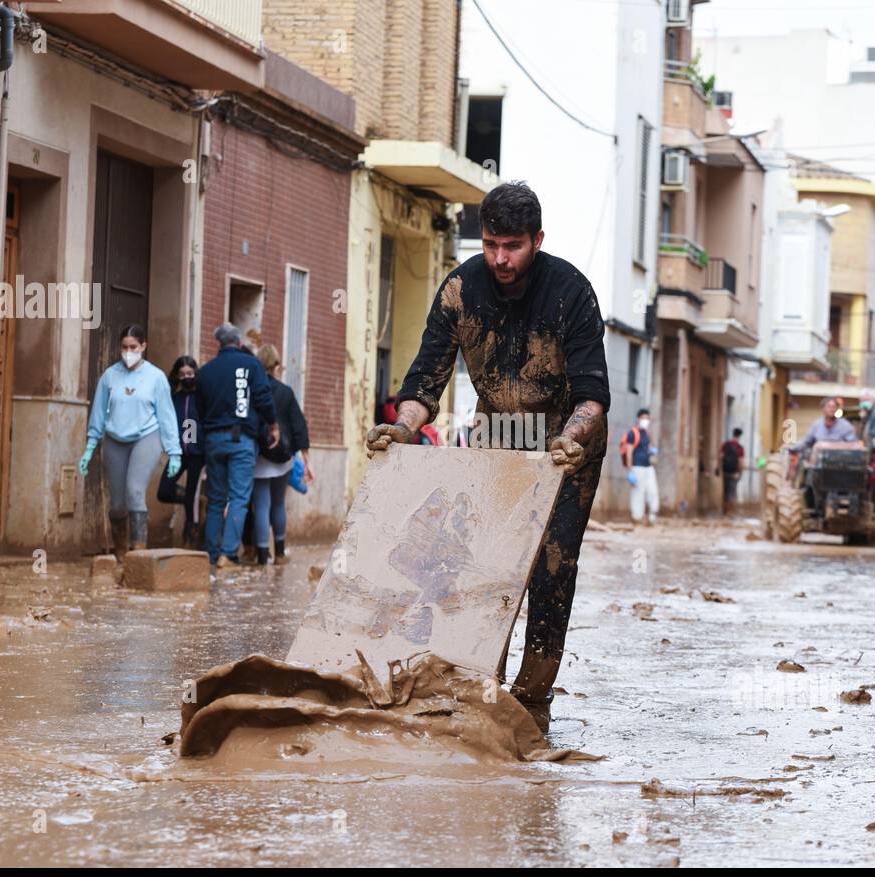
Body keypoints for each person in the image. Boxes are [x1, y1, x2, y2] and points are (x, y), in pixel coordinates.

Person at [368, 181, 609, 733]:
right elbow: (424, 380)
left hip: (567, 439)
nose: (500, 258)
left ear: (537, 241)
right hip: (498, 430)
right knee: (482, 560)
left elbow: (593, 392)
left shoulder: (571, 291)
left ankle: (534, 698)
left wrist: (569, 440)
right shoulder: (459, 290)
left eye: (513, 246)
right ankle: (481, 682)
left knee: (550, 567)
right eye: (491, 244)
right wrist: (401, 430)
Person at [81, 324, 180, 557]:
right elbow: (98, 413)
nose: (128, 351)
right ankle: (120, 555)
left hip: (147, 436)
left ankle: (139, 554)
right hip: (115, 438)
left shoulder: (156, 378)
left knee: (135, 491)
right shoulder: (109, 376)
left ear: (143, 346)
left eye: (133, 346)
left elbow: (167, 416)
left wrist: (174, 451)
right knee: (117, 504)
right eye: (124, 347)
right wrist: (90, 447)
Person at [197, 323, 277, 569]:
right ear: (239, 343)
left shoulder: (206, 371)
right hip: (241, 438)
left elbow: (199, 409)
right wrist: (273, 424)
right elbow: (263, 398)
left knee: (216, 499)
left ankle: (211, 555)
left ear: (218, 344)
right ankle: (228, 554)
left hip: (213, 440)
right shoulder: (251, 365)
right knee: (240, 498)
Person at [251, 344, 313, 566]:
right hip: (283, 458)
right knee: (278, 504)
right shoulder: (285, 392)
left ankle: (260, 555)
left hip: (258, 456)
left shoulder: (252, 390)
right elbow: (299, 425)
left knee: (261, 505)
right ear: (277, 366)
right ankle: (279, 553)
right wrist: (306, 460)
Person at [156, 356, 205, 549]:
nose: (186, 377)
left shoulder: (201, 398)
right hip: (179, 454)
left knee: (191, 496)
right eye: (183, 374)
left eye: (190, 374)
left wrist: (199, 447)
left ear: (196, 374)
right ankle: (196, 500)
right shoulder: (174, 399)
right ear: (177, 376)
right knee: (164, 491)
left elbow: (196, 427)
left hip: (198, 454)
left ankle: (189, 540)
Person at [620, 408, 659, 526]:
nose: (646, 420)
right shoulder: (633, 433)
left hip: (648, 467)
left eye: (647, 418)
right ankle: (637, 519)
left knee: (653, 492)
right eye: (643, 418)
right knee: (638, 494)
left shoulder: (647, 433)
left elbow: (648, 448)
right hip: (637, 467)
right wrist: (630, 470)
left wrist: (652, 451)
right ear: (638, 419)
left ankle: (652, 518)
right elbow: (629, 452)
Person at [720, 427, 745, 515]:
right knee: (732, 491)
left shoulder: (726, 444)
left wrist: (718, 468)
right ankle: (729, 512)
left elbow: (721, 457)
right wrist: (741, 473)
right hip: (734, 473)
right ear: (740, 436)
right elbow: (741, 462)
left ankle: (724, 510)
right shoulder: (740, 448)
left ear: (733, 434)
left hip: (725, 471)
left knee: (725, 491)